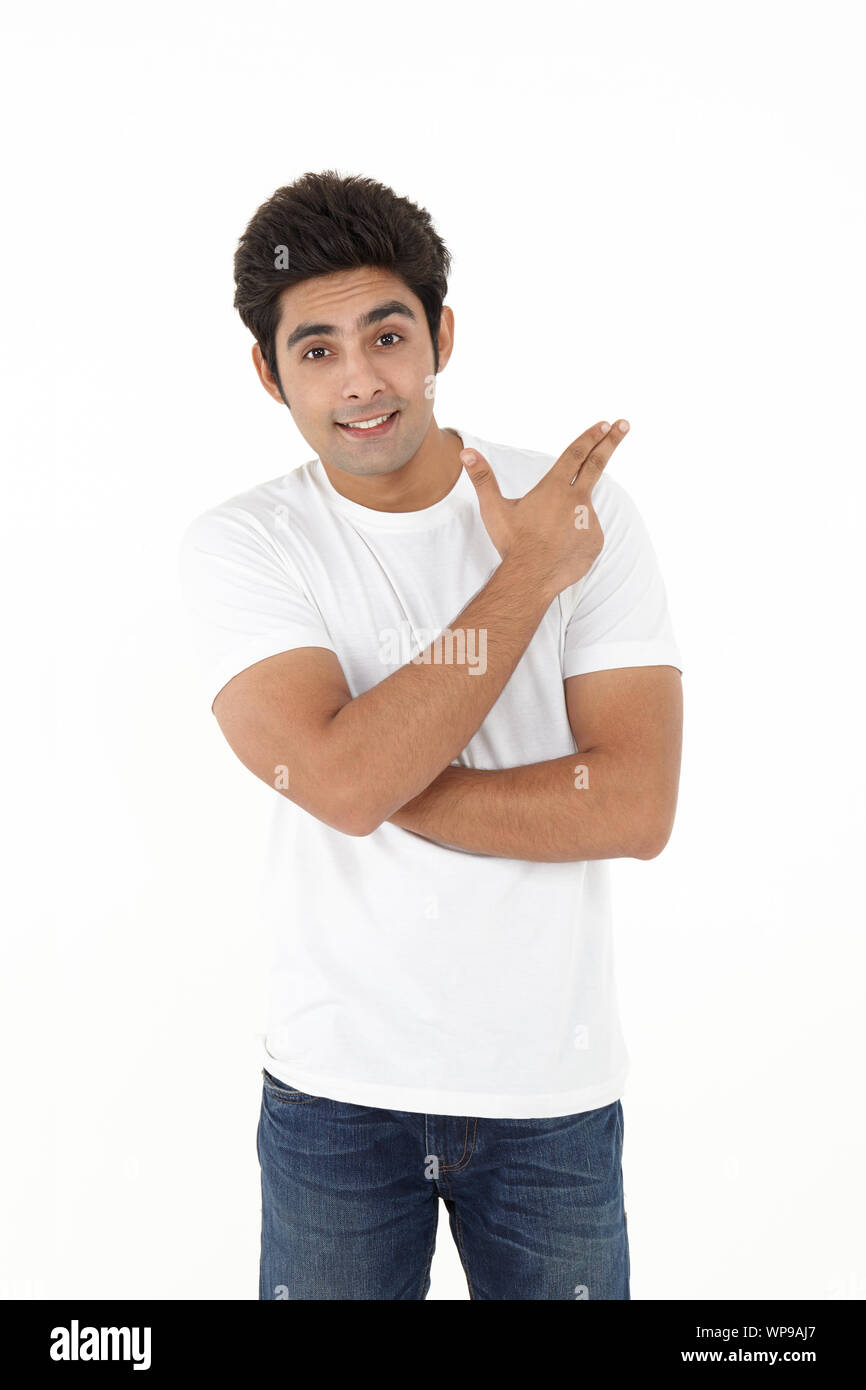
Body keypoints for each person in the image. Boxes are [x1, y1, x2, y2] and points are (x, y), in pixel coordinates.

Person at [177, 170, 684, 1300]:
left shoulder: (575, 511)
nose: (360, 380)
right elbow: (343, 784)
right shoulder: (246, 547)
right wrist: (526, 581)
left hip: (548, 1096)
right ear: (268, 372)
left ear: (439, 334)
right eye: (315, 350)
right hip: (333, 1096)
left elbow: (633, 806)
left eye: (386, 333)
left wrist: (363, 768)